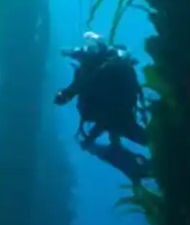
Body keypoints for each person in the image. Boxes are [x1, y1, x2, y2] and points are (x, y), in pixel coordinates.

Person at [54, 32, 149, 181]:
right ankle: (140, 165)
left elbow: (74, 90)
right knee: (100, 144)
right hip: (114, 118)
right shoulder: (87, 71)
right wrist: (63, 95)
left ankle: (140, 165)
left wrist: (64, 96)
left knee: (93, 144)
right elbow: (73, 90)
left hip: (113, 117)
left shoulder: (105, 67)